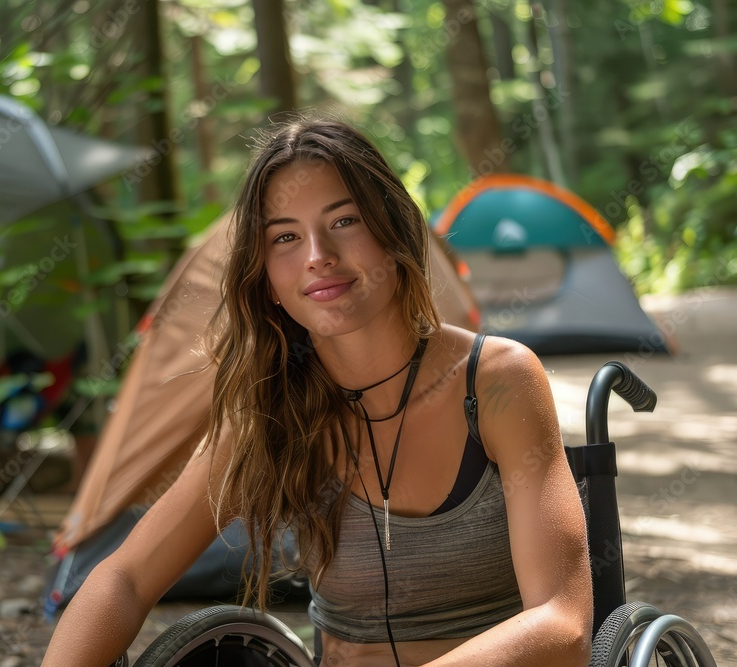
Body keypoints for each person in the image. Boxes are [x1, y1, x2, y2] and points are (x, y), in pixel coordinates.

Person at [41, 118, 593, 667]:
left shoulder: (496, 380)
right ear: (266, 277)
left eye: (344, 220)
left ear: (394, 231)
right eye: (284, 236)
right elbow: (126, 578)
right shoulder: (270, 409)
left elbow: (561, 622)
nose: (316, 255)